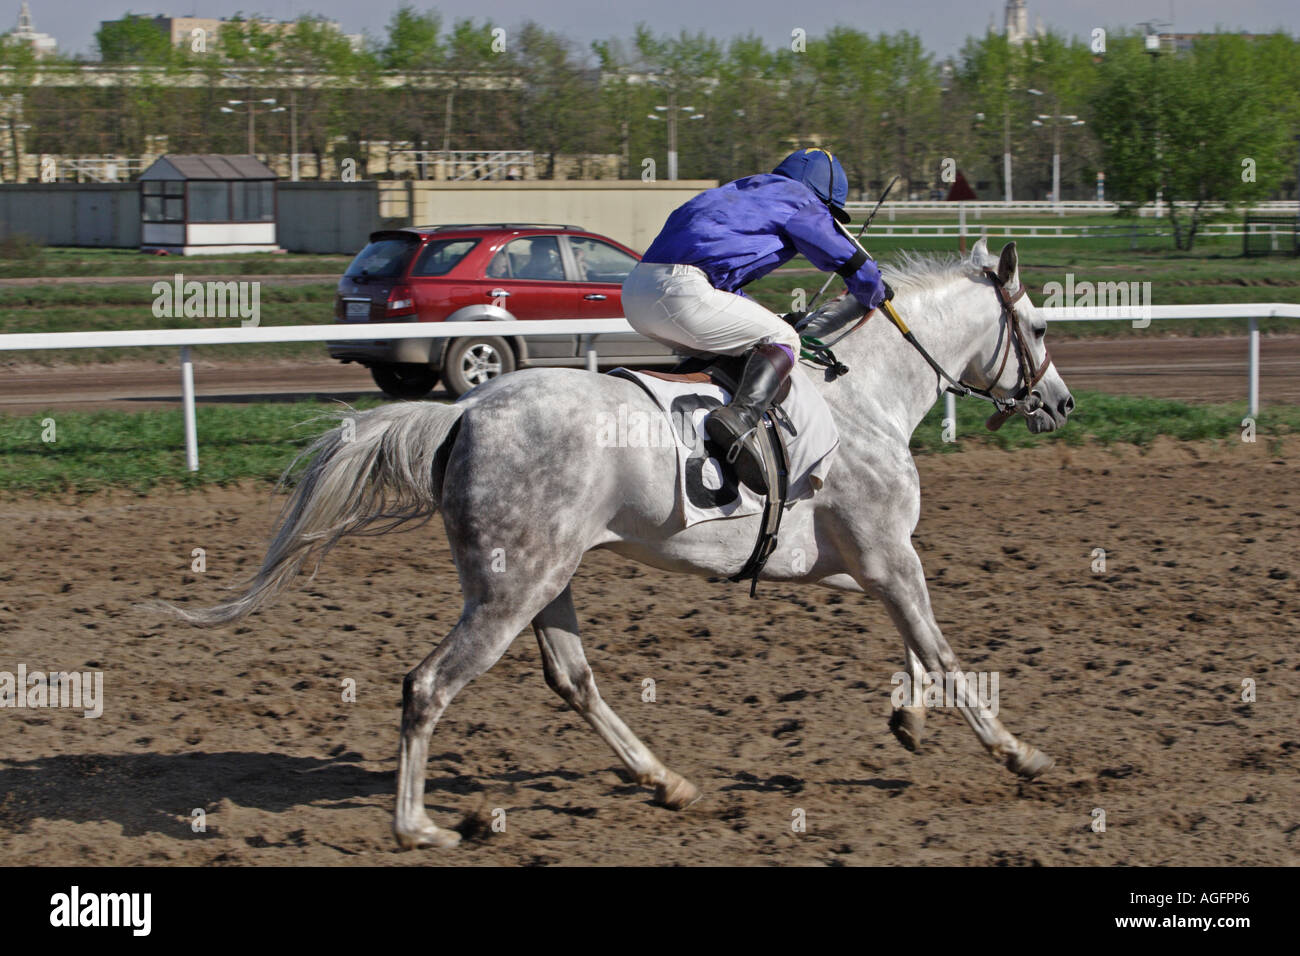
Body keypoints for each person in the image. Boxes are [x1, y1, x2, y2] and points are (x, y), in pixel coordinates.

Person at [621, 147, 889, 493]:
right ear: (820, 195)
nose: (826, 216)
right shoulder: (798, 198)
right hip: (680, 293)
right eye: (829, 211)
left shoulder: (739, 191)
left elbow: (723, 286)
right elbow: (845, 256)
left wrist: (768, 316)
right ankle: (740, 420)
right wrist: (874, 289)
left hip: (637, 293)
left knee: (739, 344)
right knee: (785, 340)